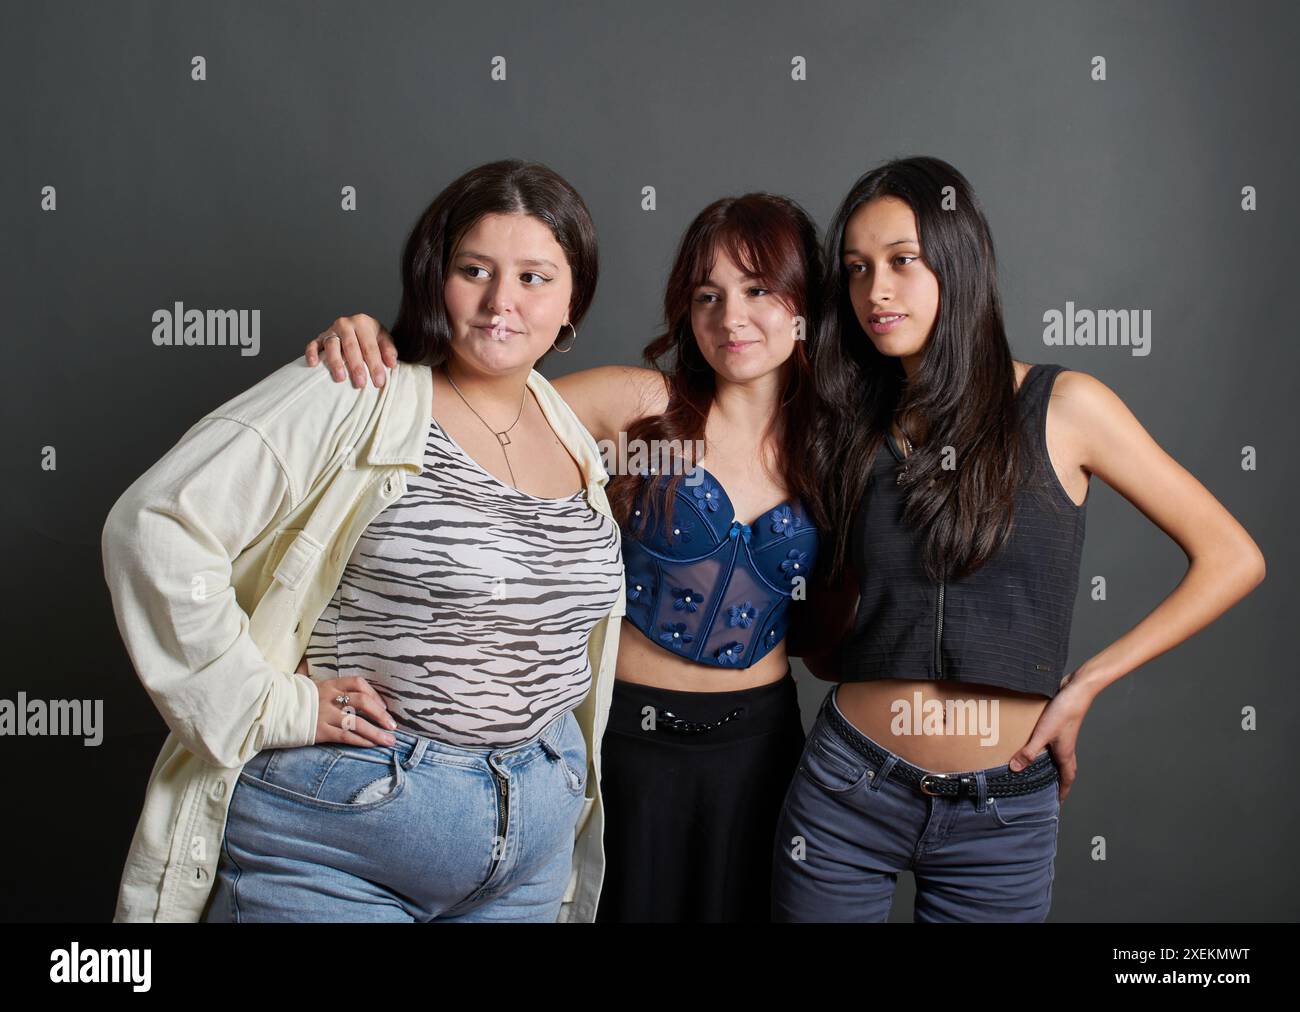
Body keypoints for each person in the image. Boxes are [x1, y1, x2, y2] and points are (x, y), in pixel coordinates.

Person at [103, 159, 625, 922]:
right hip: (340, 842)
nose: (500, 303)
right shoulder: (358, 388)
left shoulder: (569, 426)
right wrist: (265, 704)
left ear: (573, 295)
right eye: (474, 269)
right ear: (434, 276)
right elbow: (153, 526)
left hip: (528, 849)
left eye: (535, 277)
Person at [304, 191, 834, 920]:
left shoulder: (837, 444)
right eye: (706, 294)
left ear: (804, 300)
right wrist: (378, 344)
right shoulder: (637, 405)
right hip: (625, 737)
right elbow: (471, 406)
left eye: (757, 290)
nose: (730, 317)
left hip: (760, 745)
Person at [770, 155, 1266, 922]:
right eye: (858, 269)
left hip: (999, 814)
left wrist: (1086, 684)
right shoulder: (849, 427)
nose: (877, 291)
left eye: (904, 261)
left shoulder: (1065, 406)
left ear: (958, 261)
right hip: (846, 791)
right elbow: (829, 622)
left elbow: (1233, 557)